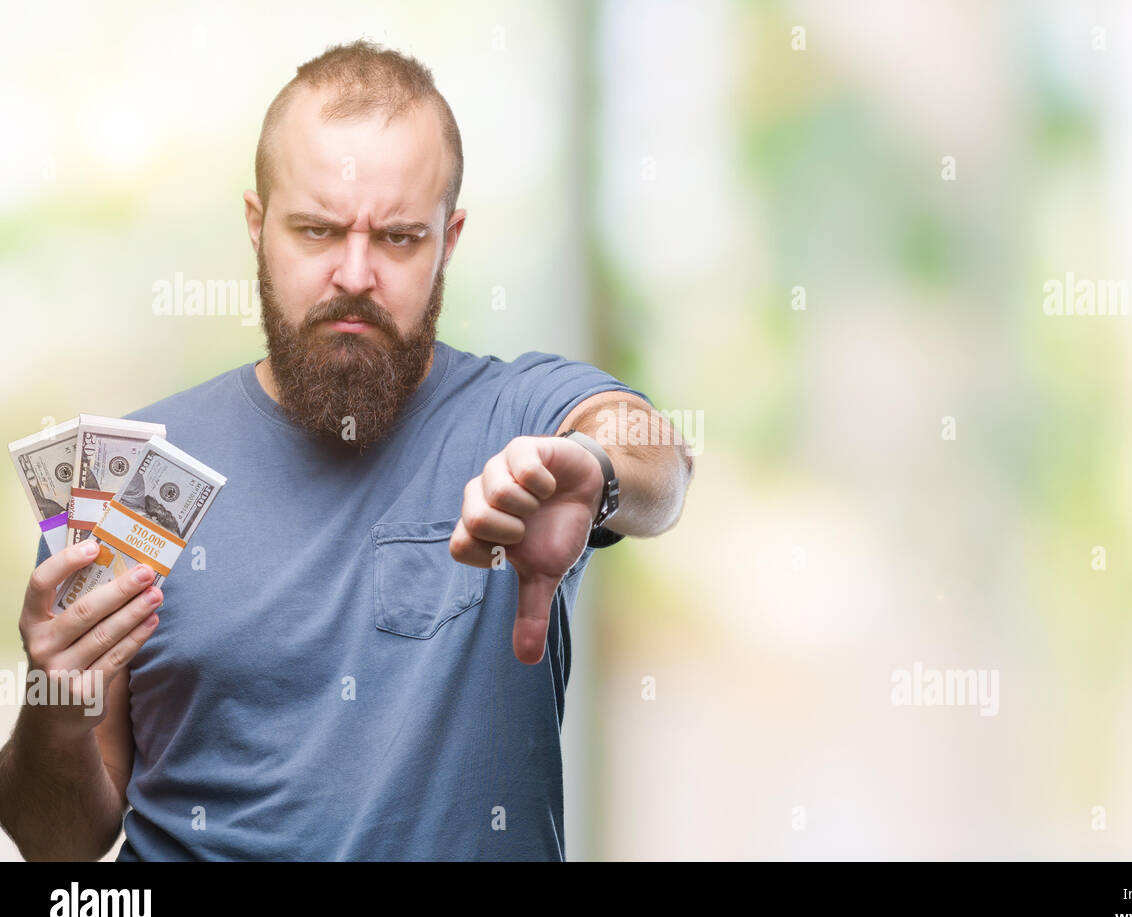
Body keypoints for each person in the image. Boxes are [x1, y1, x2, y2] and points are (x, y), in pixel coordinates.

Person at [0, 39, 693, 861]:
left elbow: (658, 458)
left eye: (399, 238)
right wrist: (54, 702)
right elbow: (59, 844)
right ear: (257, 228)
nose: (355, 274)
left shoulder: (520, 421)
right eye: (317, 231)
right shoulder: (137, 477)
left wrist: (602, 476)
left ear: (450, 239)